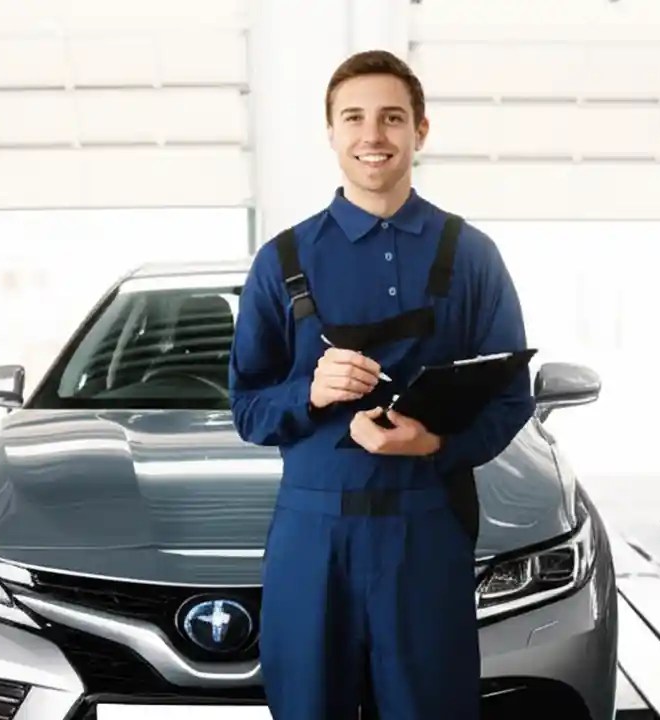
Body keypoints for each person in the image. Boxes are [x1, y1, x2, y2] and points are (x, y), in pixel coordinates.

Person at [229, 49, 535, 720]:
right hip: (313, 537)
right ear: (331, 132)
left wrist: (433, 446)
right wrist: (308, 391)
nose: (374, 136)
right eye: (355, 118)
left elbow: (512, 396)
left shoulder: (472, 256)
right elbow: (248, 409)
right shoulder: (282, 259)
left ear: (420, 130)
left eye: (392, 118)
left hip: (426, 529)